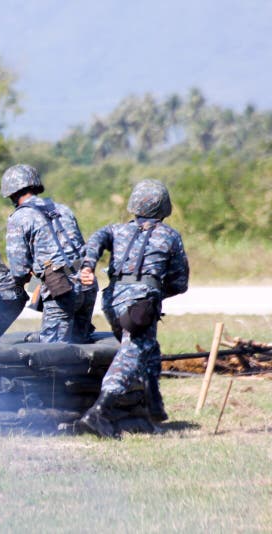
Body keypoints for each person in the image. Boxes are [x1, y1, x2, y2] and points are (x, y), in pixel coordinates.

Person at [77, 179, 189, 438]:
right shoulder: (170, 235)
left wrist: (87, 265)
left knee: (149, 350)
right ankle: (99, 412)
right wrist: (155, 293)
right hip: (140, 306)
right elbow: (180, 282)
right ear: (164, 206)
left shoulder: (115, 230)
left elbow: (95, 240)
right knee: (132, 352)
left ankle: (152, 407)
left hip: (111, 301)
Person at [2, 164, 96, 343]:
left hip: (61, 288)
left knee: (54, 355)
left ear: (12, 193)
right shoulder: (62, 209)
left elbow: (19, 270)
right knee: (79, 344)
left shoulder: (19, 218)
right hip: (87, 283)